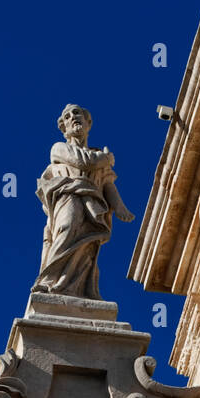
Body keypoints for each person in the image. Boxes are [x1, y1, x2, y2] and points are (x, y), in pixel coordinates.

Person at [33, 104, 134, 300]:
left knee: (87, 245)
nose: (73, 117)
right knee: (66, 227)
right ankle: (49, 280)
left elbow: (107, 184)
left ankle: (76, 288)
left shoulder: (98, 156)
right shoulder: (59, 148)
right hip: (68, 195)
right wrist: (105, 158)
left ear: (89, 123)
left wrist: (120, 207)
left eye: (77, 113)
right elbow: (83, 162)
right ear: (64, 128)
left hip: (93, 202)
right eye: (68, 116)